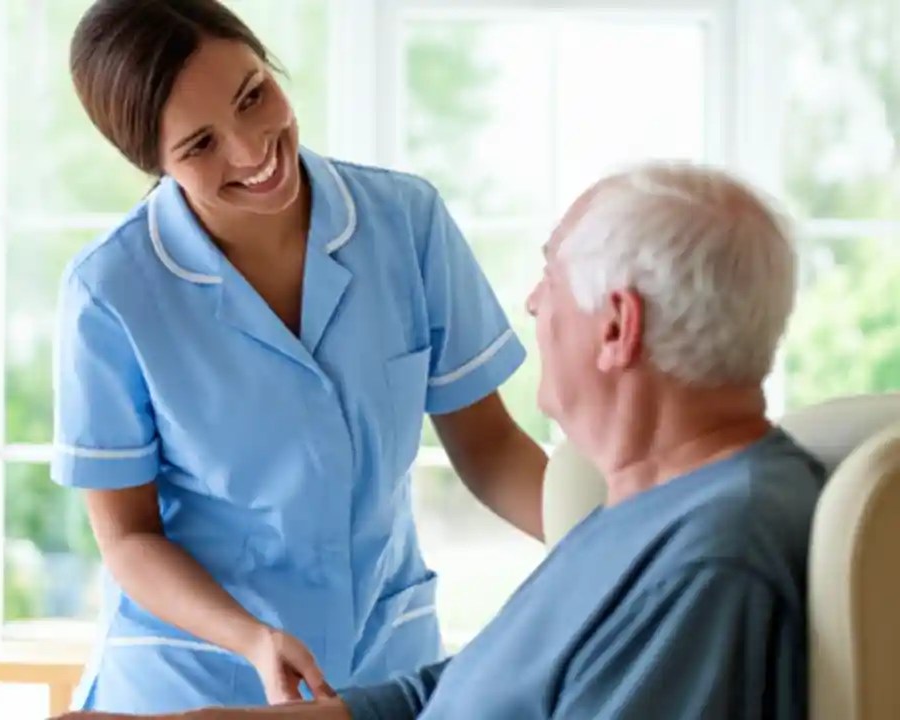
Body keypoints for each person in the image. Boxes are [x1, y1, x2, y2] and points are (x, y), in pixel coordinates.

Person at [56, 163, 827, 719]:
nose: (530, 303)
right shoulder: (636, 516)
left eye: (550, 279)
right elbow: (484, 684)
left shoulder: (710, 562)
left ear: (617, 326)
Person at [53, 0, 546, 713]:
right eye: (200, 145)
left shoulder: (406, 222)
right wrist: (250, 638)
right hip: (198, 678)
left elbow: (491, 445)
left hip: (383, 665)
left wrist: (610, 544)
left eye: (254, 96)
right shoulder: (112, 290)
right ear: (153, 162)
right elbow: (128, 536)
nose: (252, 150)